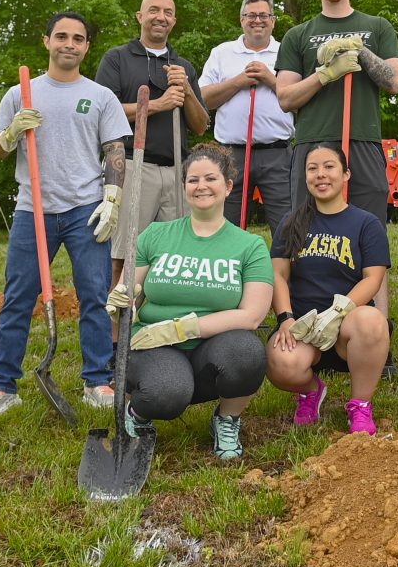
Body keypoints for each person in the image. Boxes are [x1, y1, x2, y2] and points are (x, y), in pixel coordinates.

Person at [0, 12, 132, 416]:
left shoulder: (101, 96)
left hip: (85, 208)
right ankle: (3, 386)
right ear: (46, 41)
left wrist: (112, 197)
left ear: (86, 47)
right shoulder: (21, 93)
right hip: (34, 209)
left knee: (94, 297)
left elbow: (116, 150)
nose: (69, 44)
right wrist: (10, 133)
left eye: (78, 38)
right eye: (61, 36)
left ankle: (97, 380)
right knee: (17, 299)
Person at [106, 145, 273, 460]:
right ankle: (138, 415)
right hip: (155, 345)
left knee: (248, 352)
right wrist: (119, 301)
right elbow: (129, 289)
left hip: (213, 349)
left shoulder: (250, 246)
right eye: (193, 180)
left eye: (211, 178)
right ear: (184, 188)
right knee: (168, 392)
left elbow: (251, 316)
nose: (201, 186)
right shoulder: (155, 235)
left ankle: (227, 419)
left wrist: (183, 328)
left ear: (228, 186)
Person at [276, 0, 398, 319]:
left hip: (362, 142)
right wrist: (325, 74)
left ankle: (377, 329)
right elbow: (285, 98)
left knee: (372, 236)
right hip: (313, 143)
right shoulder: (299, 35)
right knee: (305, 232)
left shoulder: (377, 27)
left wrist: (361, 53)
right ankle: (303, 320)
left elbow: (394, 82)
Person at [265, 145, 392, 435]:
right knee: (280, 362)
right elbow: (278, 275)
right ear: (306, 177)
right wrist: (286, 318)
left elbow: (373, 278)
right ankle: (311, 392)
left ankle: (360, 405)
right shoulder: (291, 222)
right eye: (312, 168)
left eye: (329, 167)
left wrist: (338, 312)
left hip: (348, 328)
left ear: (346, 174)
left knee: (373, 321)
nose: (321, 174)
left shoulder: (366, 224)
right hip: (305, 326)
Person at [95, 0, 209, 278]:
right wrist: (157, 105)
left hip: (176, 172)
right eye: (154, 10)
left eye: (168, 12)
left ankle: (158, 319)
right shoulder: (118, 58)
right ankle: (116, 321)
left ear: (174, 20)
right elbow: (102, 113)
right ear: (140, 16)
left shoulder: (183, 67)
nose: (161, 17)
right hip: (133, 165)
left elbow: (200, 125)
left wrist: (186, 92)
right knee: (123, 255)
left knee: (174, 256)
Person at [200, 0, 295, 236]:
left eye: (264, 15)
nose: (257, 20)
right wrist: (240, 81)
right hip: (232, 154)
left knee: (287, 224)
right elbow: (203, 99)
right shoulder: (222, 52)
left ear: (273, 21)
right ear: (241, 20)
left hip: (278, 154)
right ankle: (230, 272)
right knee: (227, 225)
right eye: (251, 15)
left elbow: (300, 100)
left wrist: (270, 79)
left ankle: (284, 274)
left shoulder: (287, 51)